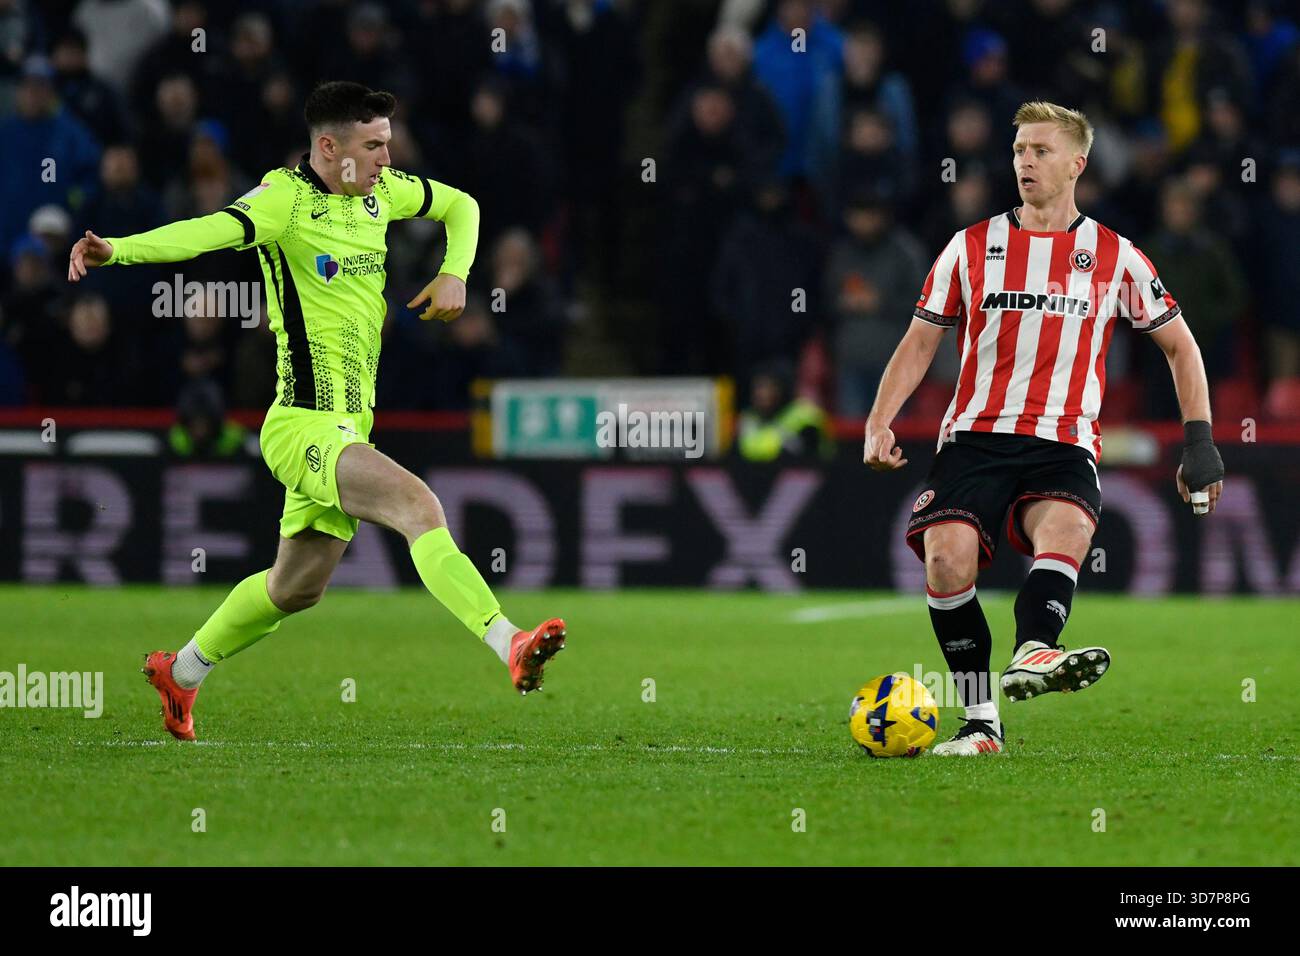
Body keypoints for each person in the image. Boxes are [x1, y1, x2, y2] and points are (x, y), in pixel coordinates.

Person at [68, 81, 567, 742]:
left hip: (349, 428)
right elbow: (206, 232)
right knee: (417, 505)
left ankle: (180, 672)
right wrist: (119, 249)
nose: (388, 158)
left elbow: (462, 206)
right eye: (374, 146)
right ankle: (508, 641)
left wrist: (456, 273)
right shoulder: (284, 201)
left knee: (294, 588)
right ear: (330, 148)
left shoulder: (381, 194)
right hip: (302, 422)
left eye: (388, 143)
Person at [863, 102, 1224, 757]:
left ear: (1077, 164)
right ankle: (981, 723)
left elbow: (1181, 347)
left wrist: (1199, 442)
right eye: (1019, 150)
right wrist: (879, 421)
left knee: (1067, 533)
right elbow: (919, 341)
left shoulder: (1114, 255)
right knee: (946, 559)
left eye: (1040, 151)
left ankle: (1035, 649)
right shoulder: (970, 246)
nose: (1025, 162)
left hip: (1063, 440)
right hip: (975, 436)